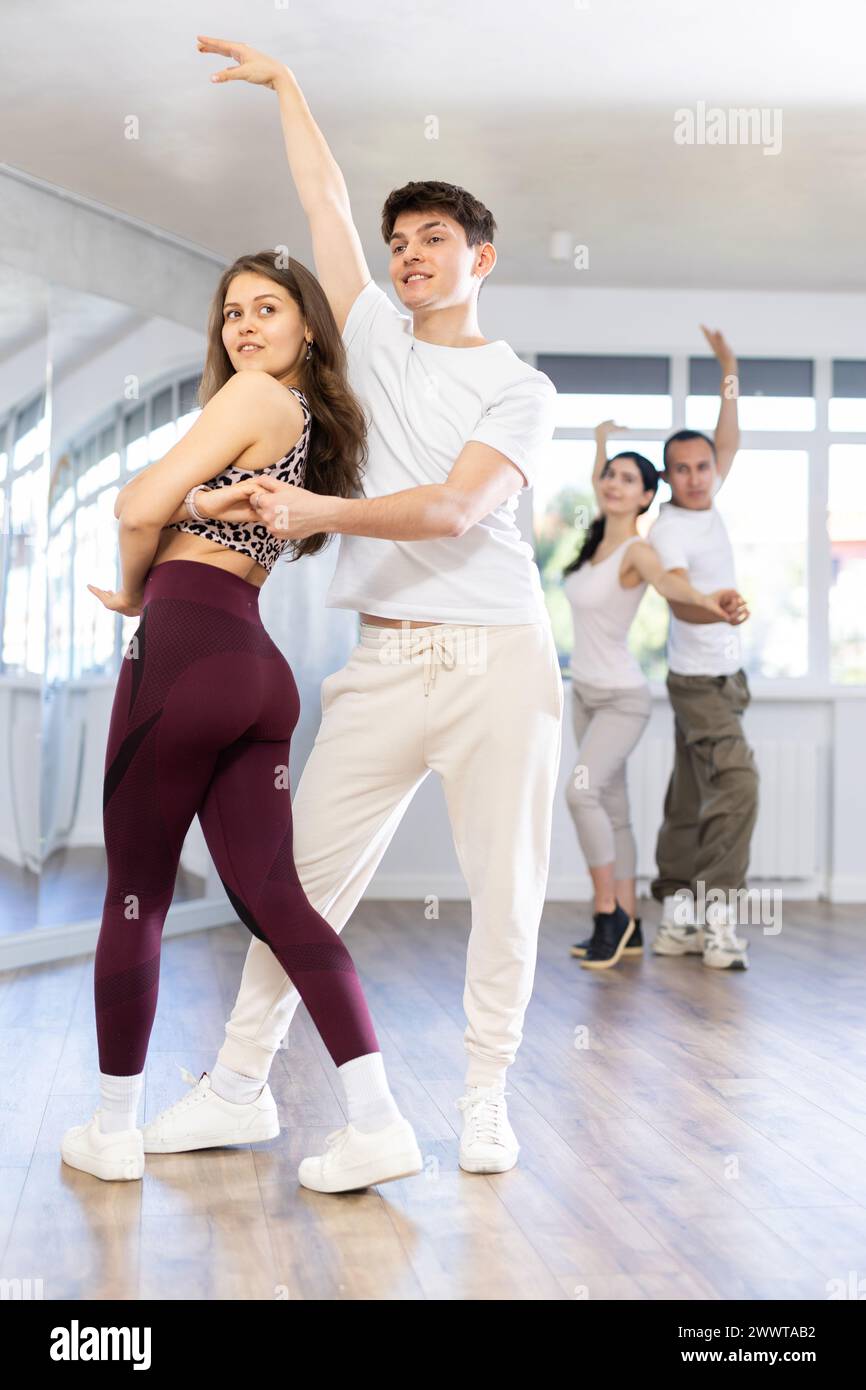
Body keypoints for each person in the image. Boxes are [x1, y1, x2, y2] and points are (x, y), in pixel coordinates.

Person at [143, 35, 563, 1178]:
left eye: (434, 240)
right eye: (398, 243)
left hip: (497, 660)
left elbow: (452, 510)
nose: (408, 255)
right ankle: (236, 1085)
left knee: (505, 892)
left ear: (482, 258)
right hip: (382, 664)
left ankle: (483, 1097)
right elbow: (321, 195)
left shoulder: (519, 388)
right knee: (294, 884)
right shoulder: (368, 330)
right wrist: (288, 86)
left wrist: (311, 511)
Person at [60, 251, 424, 1194]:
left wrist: (140, 584)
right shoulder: (313, 426)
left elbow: (133, 504)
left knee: (132, 892)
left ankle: (110, 1128)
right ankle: (377, 1120)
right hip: (257, 671)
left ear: (308, 326)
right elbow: (196, 518)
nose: (245, 328)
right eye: (231, 314)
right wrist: (187, 518)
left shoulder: (255, 398)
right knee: (279, 901)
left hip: (184, 654)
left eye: (269, 308)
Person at [563, 423, 747, 969]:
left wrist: (710, 601)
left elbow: (671, 585)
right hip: (585, 695)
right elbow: (597, 476)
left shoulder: (640, 551)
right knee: (613, 811)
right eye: (609, 476)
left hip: (622, 697)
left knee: (581, 794)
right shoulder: (597, 536)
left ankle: (608, 914)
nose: (614, 484)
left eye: (628, 479)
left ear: (648, 495)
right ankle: (632, 926)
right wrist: (598, 440)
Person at [649, 327, 760, 970]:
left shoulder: (711, 503)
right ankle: (719, 918)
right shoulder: (669, 526)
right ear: (669, 476)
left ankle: (676, 920)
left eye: (704, 465)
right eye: (683, 469)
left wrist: (729, 368)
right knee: (740, 782)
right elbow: (677, 594)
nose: (695, 476)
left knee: (691, 796)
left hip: (726, 679)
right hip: (696, 682)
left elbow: (730, 431)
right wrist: (713, 606)